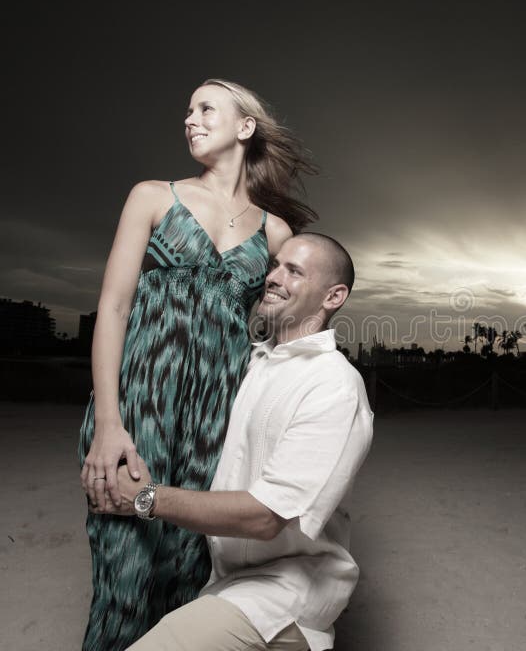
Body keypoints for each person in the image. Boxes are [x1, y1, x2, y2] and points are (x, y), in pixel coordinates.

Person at [78, 78, 318, 650]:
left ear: (245, 127)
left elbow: (289, 324)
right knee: (125, 579)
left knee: (191, 584)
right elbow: (113, 308)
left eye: (205, 108)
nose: (189, 119)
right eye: (187, 111)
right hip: (139, 405)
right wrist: (109, 423)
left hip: (219, 422)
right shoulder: (152, 197)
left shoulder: (276, 232)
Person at [95, 232, 373, 651]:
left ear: (333, 296)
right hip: (225, 583)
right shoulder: (253, 362)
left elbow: (265, 517)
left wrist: (146, 498)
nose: (273, 277)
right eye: (275, 265)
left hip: (283, 593)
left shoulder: (335, 385)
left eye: (294, 271)